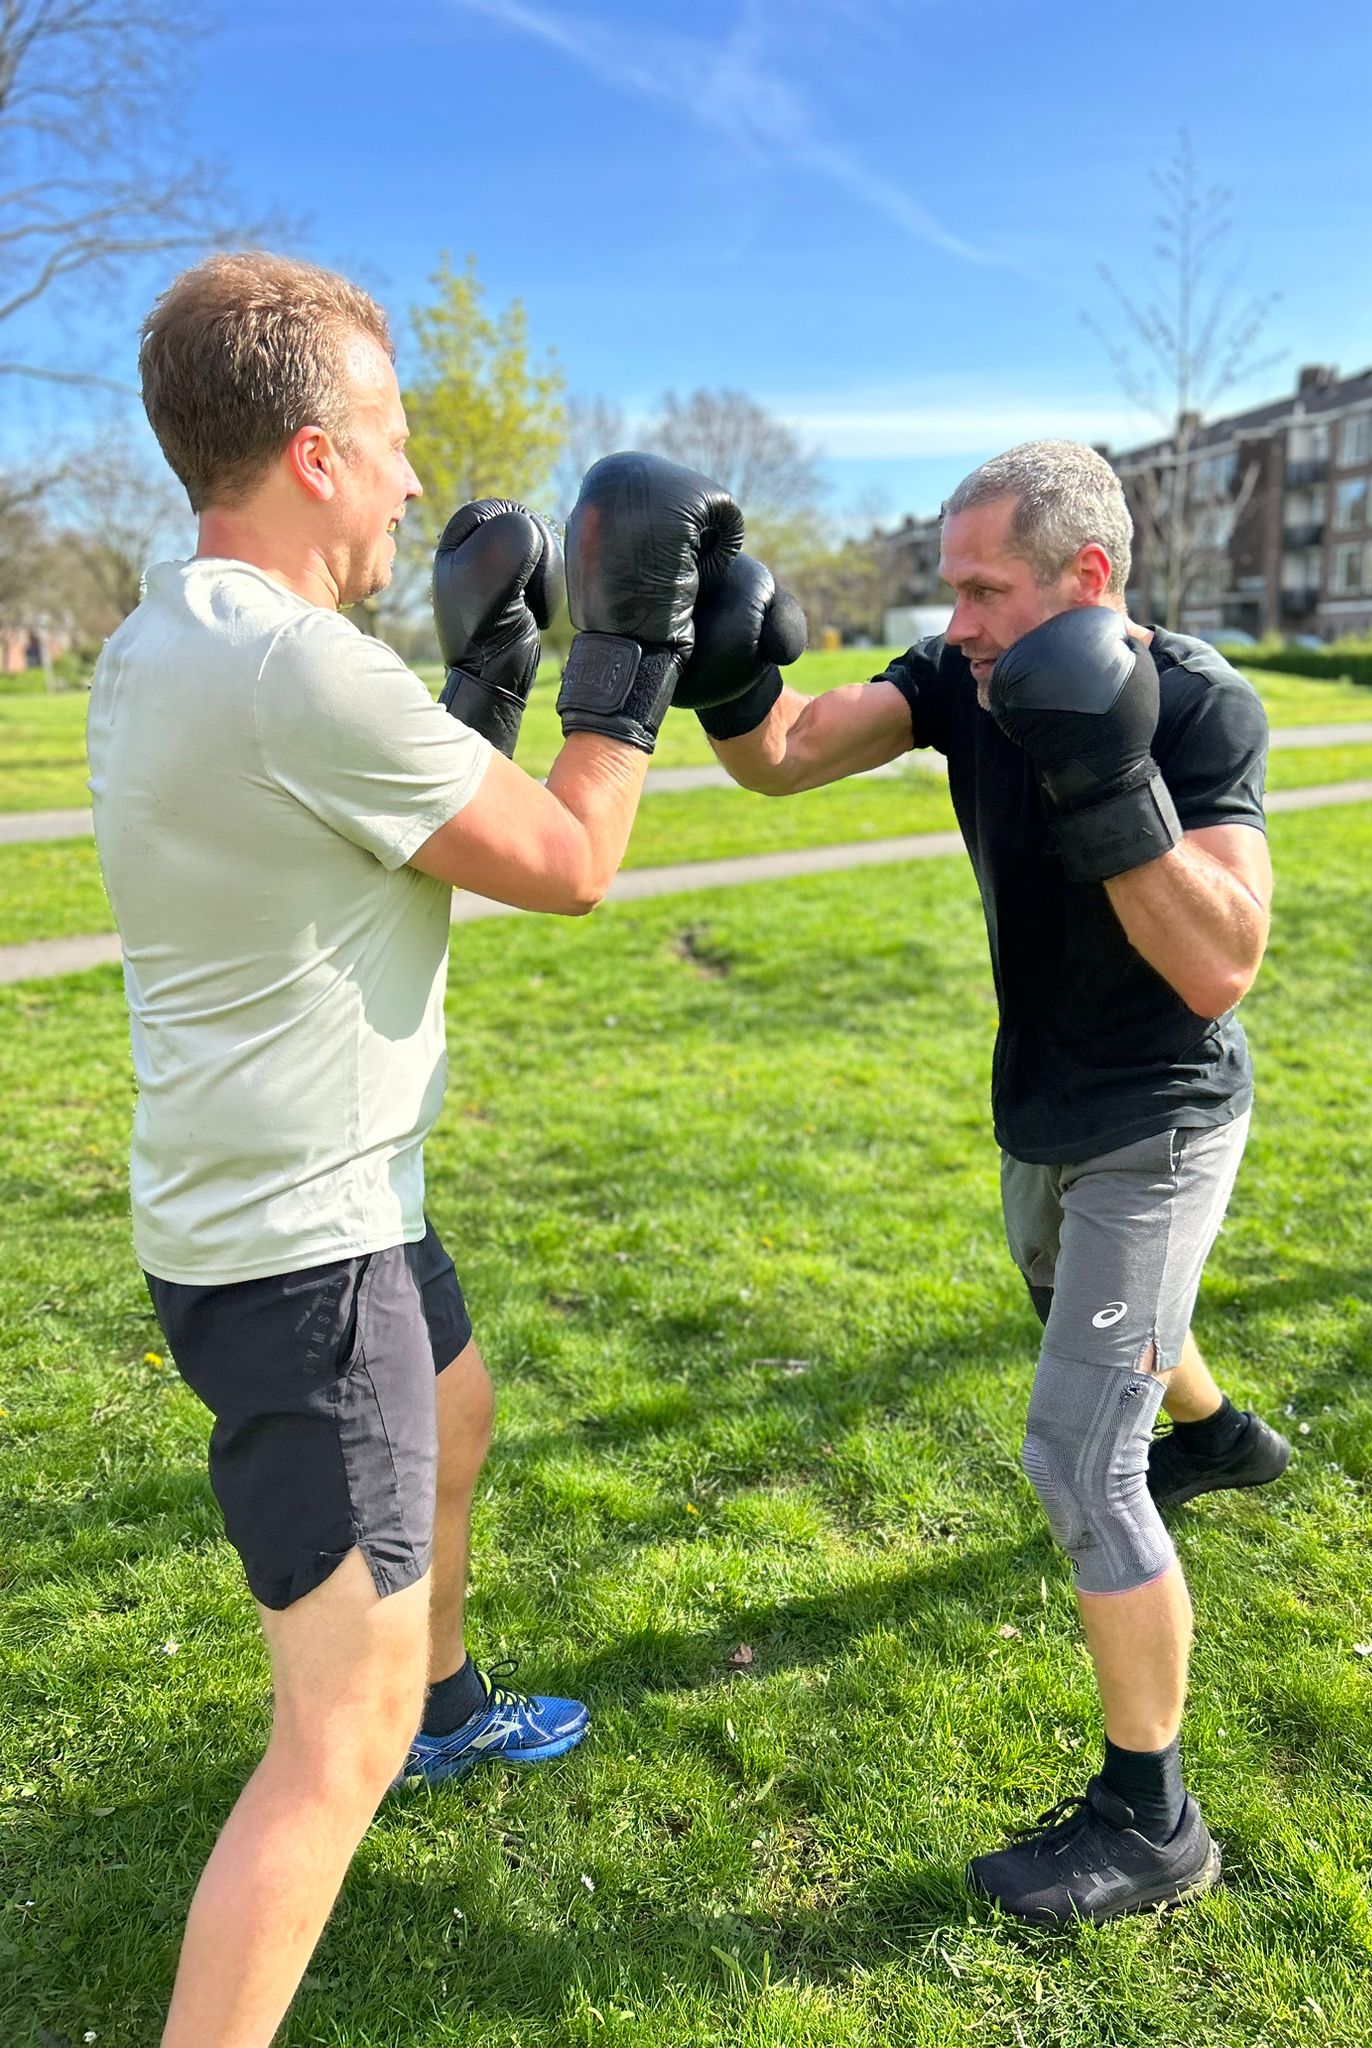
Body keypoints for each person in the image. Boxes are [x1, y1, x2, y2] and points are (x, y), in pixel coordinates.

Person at [87, 249, 742, 2046]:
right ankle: (402, 1724)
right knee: (329, 1746)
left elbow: (386, 831)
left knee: (457, 1408)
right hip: (309, 1256)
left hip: (307, 1197)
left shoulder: (177, 642)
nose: (404, 475)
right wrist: (626, 652)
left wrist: (493, 671)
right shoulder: (295, 669)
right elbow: (569, 862)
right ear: (308, 454)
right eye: (382, 437)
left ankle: (448, 1698)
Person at [673, 439, 1290, 1926]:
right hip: (1042, 1105)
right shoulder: (962, 678)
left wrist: (1107, 770)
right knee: (1080, 1311)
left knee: (1082, 1456)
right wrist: (710, 663)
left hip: (1161, 1110)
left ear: (1086, 579)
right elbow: (781, 760)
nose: (954, 620)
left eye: (983, 589)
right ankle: (1222, 1439)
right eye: (950, 588)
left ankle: (1154, 1823)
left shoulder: (1203, 706)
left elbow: (1220, 961)